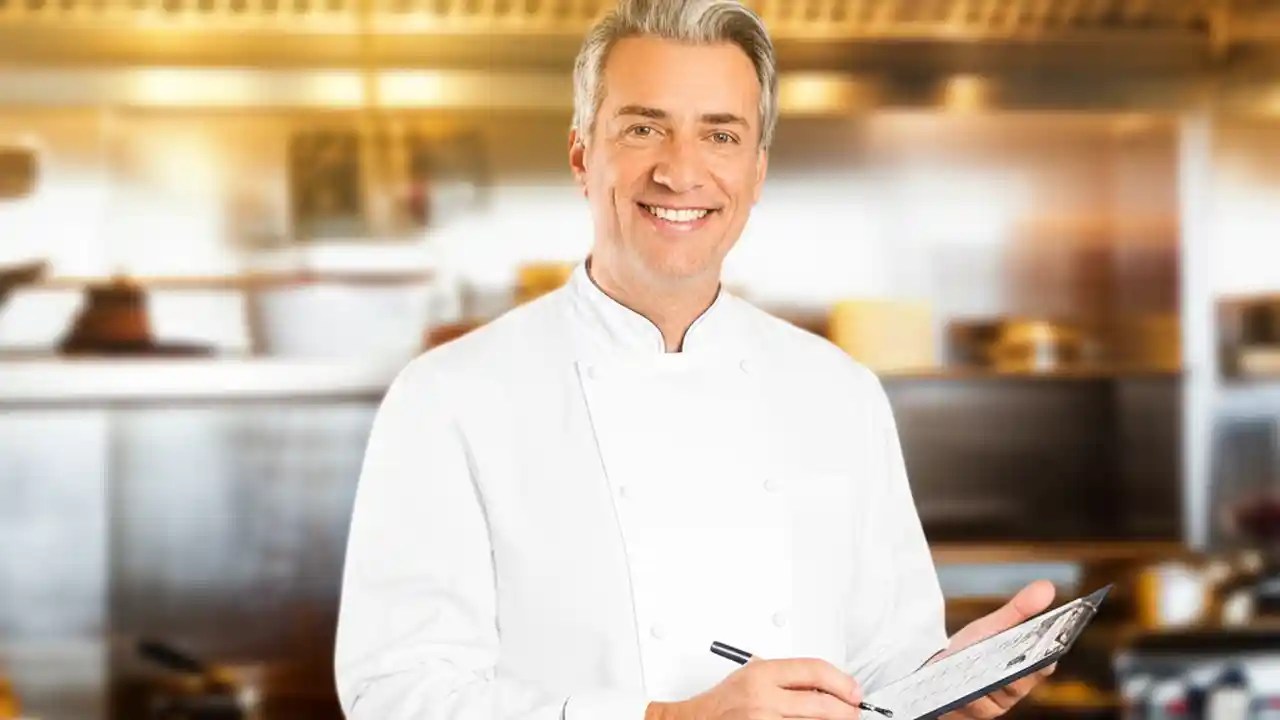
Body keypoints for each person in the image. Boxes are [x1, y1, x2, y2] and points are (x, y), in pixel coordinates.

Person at [334, 0, 1058, 717]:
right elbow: (396, 695)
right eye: (644, 128)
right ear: (582, 155)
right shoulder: (449, 398)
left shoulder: (841, 393)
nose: (681, 172)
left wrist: (941, 689)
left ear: (757, 171)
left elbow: (877, 671)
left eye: (720, 135)